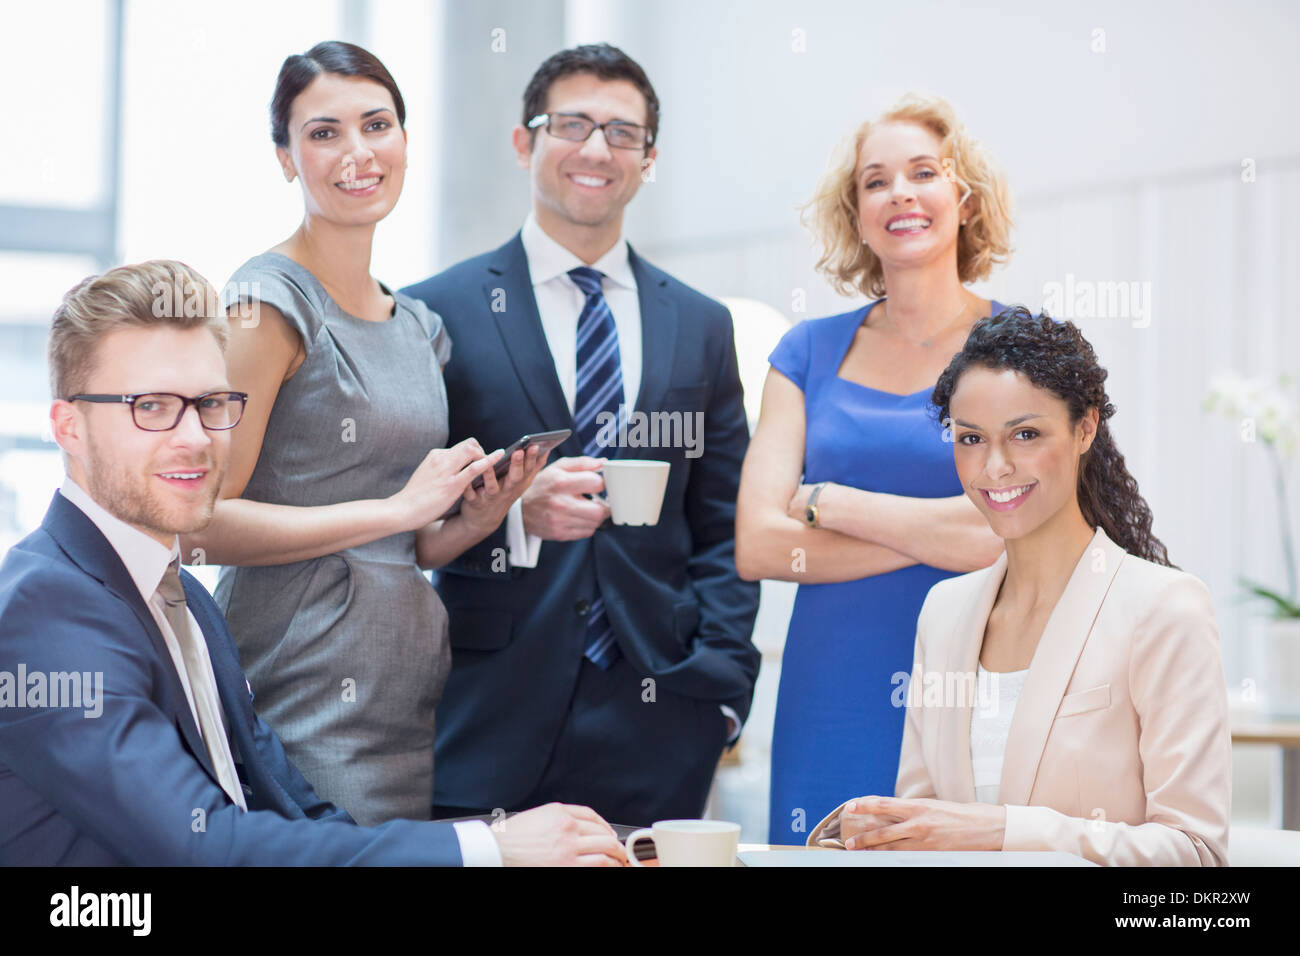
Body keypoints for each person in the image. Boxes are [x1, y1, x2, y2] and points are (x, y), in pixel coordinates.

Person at [0, 260, 626, 866]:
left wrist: (507, 847)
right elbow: (204, 847)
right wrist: (490, 849)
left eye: (211, 404)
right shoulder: (48, 608)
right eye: (151, 407)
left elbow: (301, 816)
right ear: (69, 427)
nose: (194, 437)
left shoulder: (186, 599)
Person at [181, 42, 547, 826]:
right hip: (298, 686)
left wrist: (473, 516)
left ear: (405, 141)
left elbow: (403, 546)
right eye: (323, 133)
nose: (357, 153)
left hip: (401, 693)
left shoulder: (418, 326)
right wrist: (394, 512)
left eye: (377, 125)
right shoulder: (267, 303)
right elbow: (199, 525)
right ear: (285, 158)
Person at [402, 43, 760, 825]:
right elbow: (399, 522)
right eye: (572, 124)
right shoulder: (437, 312)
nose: (597, 149)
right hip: (486, 712)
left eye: (622, 133)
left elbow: (727, 524)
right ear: (524, 142)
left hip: (664, 719)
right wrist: (513, 520)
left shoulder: (700, 324)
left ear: (649, 158)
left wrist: (722, 696)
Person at [805, 307, 1231, 866]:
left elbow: (1197, 854)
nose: (995, 467)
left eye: (1025, 434)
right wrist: (882, 831)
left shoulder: (1164, 608)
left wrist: (1001, 831)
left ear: (1086, 428)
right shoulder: (945, 611)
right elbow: (925, 827)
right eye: (971, 438)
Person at [735, 94, 1011, 844]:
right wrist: (947, 532)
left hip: (979, 680)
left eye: (924, 172)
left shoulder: (1021, 345)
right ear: (855, 214)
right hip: (834, 688)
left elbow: (1018, 530)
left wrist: (829, 501)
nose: (900, 194)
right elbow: (759, 545)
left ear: (963, 196)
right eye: (875, 181)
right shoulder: (803, 352)